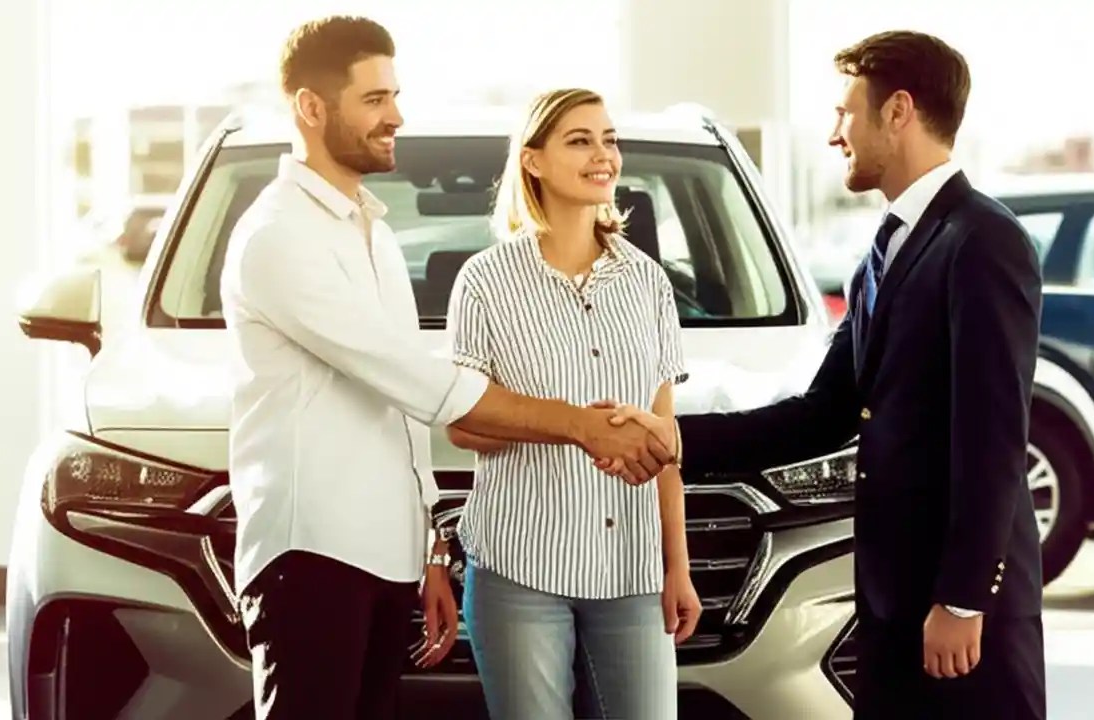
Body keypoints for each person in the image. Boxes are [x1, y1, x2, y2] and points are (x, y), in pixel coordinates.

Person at [218, 18, 677, 720]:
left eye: (395, 95)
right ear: (311, 108)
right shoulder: (280, 237)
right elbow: (419, 382)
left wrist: (429, 545)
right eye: (374, 99)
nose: (396, 115)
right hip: (310, 558)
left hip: (380, 559)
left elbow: (400, 417)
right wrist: (583, 427)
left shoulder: (369, 229)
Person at [611, 30, 1046, 719]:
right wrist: (670, 438)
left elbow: (994, 439)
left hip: (957, 611)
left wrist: (963, 598)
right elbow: (824, 412)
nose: (833, 134)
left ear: (897, 111)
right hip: (889, 604)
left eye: (845, 112)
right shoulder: (886, 247)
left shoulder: (981, 241)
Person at [442, 87, 702, 720]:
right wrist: (576, 428)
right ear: (532, 161)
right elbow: (464, 425)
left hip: (632, 571)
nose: (602, 154)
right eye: (580, 140)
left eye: (608, 139)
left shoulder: (647, 282)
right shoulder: (485, 281)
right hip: (520, 566)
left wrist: (679, 565)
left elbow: (665, 441)